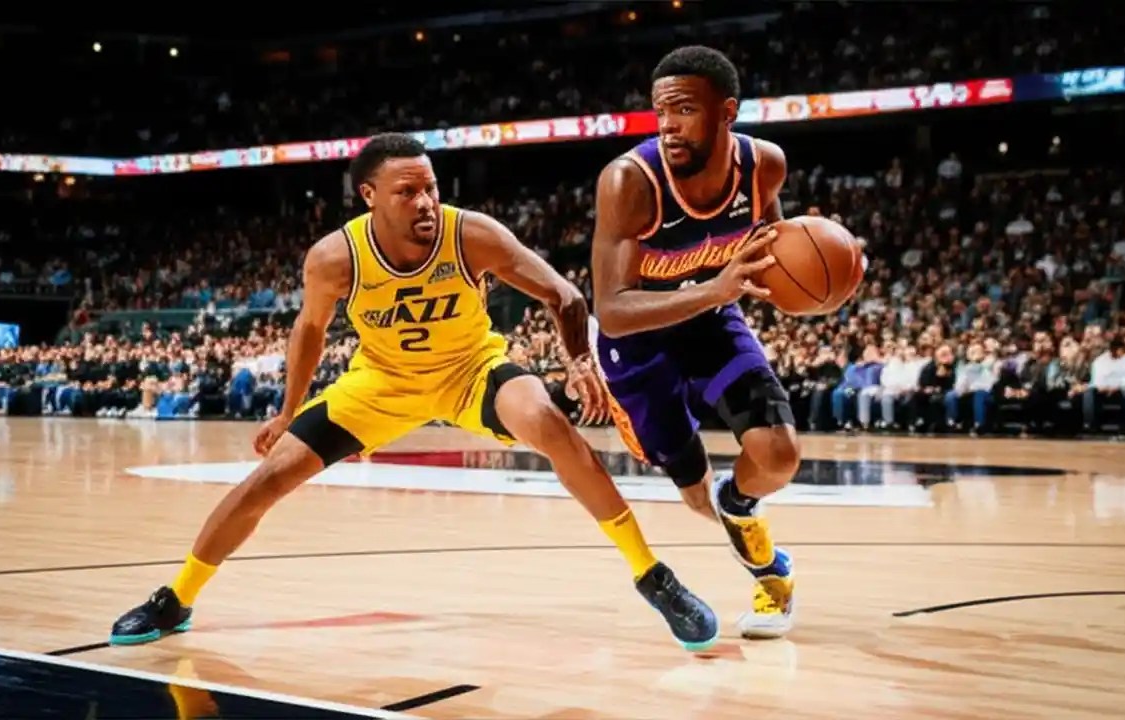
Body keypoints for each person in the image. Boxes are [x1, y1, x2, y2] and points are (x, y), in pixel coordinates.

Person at [110, 133, 719, 652]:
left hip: (470, 370)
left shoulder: (471, 234)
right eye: (407, 191)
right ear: (369, 196)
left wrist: (579, 359)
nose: (425, 201)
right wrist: (287, 411)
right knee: (265, 480)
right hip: (381, 383)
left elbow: (563, 293)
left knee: (551, 426)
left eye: (430, 187)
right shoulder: (334, 259)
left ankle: (652, 576)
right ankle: (177, 598)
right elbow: (310, 330)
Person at [590, 46, 799, 638]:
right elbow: (612, 310)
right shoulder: (629, 181)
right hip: (637, 342)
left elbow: (775, 251)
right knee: (694, 491)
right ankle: (756, 545)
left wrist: (817, 277)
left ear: (726, 111)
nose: (668, 125)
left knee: (779, 455)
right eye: (661, 112)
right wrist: (716, 289)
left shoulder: (764, 167)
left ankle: (761, 551)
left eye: (683, 110)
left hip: (710, 319)